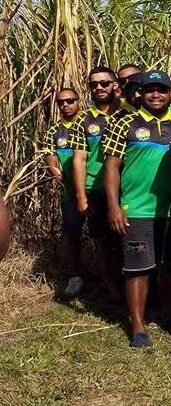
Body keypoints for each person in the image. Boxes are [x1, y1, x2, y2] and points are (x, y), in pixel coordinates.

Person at [103, 70, 171, 348]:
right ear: (141, 93)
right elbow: (111, 168)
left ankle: (169, 315)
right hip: (136, 209)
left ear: (170, 94)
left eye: (162, 90)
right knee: (137, 269)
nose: (156, 95)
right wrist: (114, 207)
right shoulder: (124, 124)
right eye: (150, 90)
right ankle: (137, 326)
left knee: (169, 266)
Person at [69, 66, 123, 299]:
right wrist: (81, 197)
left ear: (115, 86)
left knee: (126, 239)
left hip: (127, 189)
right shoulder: (84, 120)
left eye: (104, 83)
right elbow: (79, 159)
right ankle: (111, 287)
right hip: (96, 189)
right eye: (94, 84)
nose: (99, 88)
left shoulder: (129, 115)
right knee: (102, 240)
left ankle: (133, 285)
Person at [44, 88, 84, 297]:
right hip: (69, 192)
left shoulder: (88, 124)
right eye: (61, 102)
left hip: (93, 189)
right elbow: (50, 157)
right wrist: (55, 171)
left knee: (102, 237)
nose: (65, 105)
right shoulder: (54, 131)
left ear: (79, 100)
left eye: (70, 100)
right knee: (72, 234)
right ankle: (75, 276)